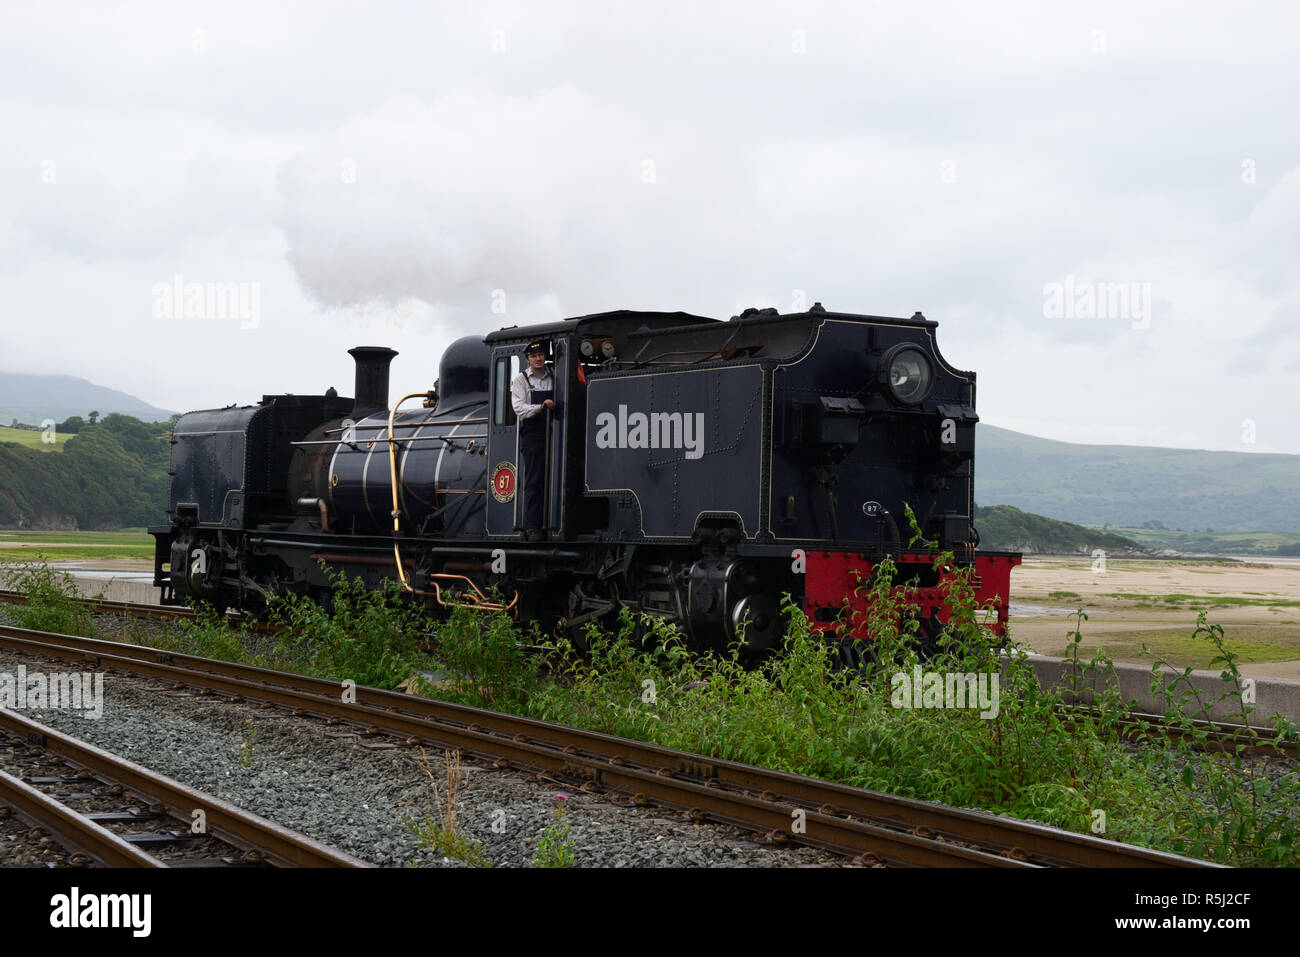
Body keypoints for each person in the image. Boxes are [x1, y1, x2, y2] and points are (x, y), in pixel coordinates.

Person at [511, 341, 555, 541]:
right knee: (534, 480)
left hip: (556, 430)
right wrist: (540, 407)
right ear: (527, 358)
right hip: (534, 433)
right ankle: (532, 526)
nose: (538, 358)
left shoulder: (555, 375)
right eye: (534, 355)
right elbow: (519, 408)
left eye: (541, 354)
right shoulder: (521, 380)